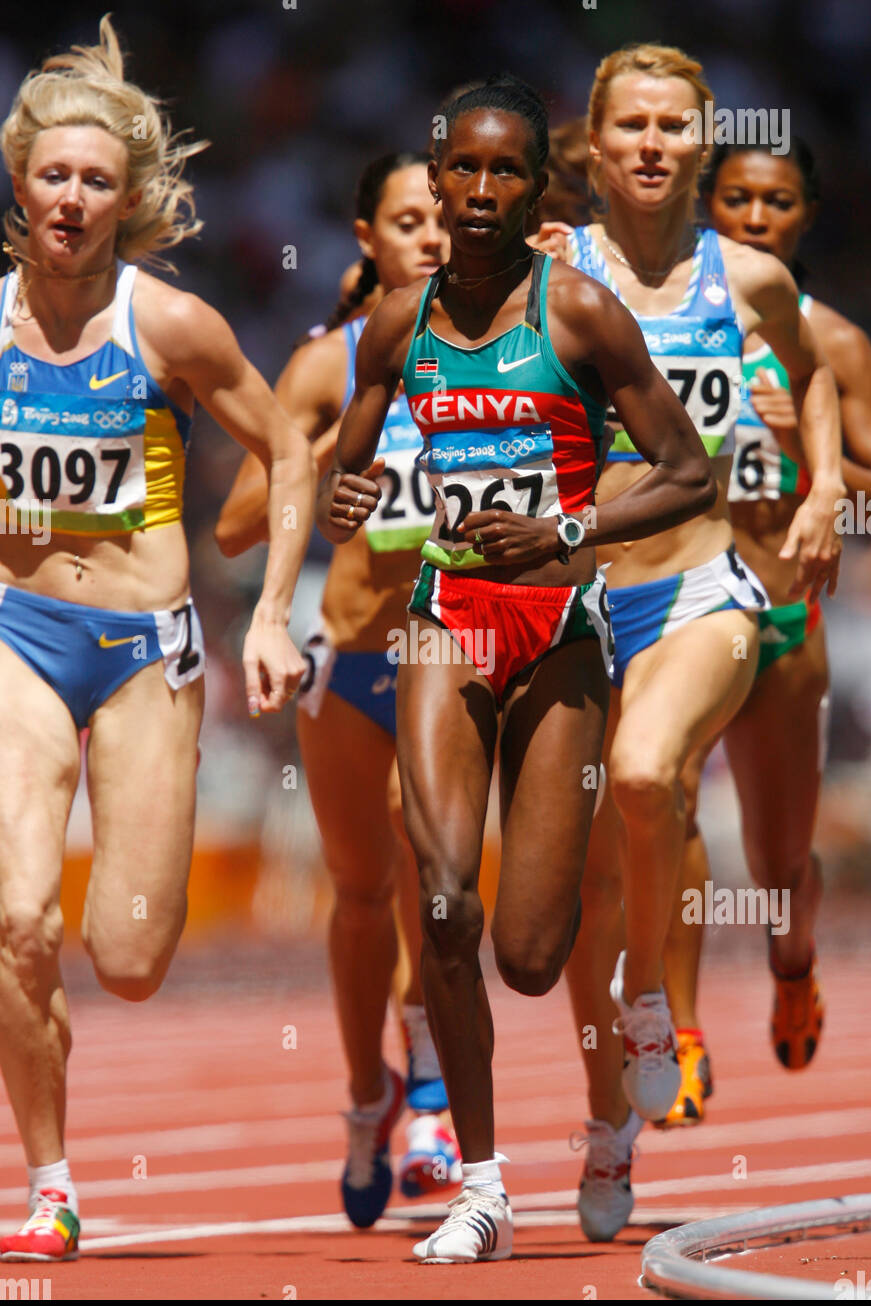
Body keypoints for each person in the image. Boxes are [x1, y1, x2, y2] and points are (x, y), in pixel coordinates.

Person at [319, 73, 718, 1263]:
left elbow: (688, 472)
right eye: (462, 171)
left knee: (531, 956)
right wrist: (347, 491)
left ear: (533, 188)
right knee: (439, 898)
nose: (481, 192)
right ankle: (482, 1190)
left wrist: (570, 530)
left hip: (559, 631)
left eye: (506, 173)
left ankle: (625, 1038)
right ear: (433, 182)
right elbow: (350, 458)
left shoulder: (581, 312)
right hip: (446, 621)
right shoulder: (399, 321)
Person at [0, 17, 314, 1262]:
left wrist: (275, 605)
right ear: (18, 182)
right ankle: (53, 1182)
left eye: (96, 180)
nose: (71, 199)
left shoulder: (168, 324)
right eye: (52, 175)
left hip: (143, 650)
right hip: (16, 631)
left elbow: (288, 445)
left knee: (124, 955)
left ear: (126, 201)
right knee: (18, 920)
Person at [533, 42, 844, 1241]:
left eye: (674, 126)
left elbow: (813, 376)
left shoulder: (749, 278)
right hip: (573, 607)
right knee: (579, 893)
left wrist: (818, 493)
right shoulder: (544, 274)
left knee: (654, 776)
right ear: (596, 147)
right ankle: (608, 1129)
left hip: (704, 589)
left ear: (698, 141)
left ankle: (659, 998)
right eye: (632, 127)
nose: (654, 144)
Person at [216, 152, 461, 1227]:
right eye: (407, 219)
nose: (432, 236)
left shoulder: (509, 345)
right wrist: (319, 451)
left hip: (453, 648)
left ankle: (439, 1099)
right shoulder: (326, 360)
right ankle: (368, 1092)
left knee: (437, 875)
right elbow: (231, 524)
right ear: (365, 235)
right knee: (364, 897)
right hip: (349, 653)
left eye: (445, 216)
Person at [658, 136, 871, 1116]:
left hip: (781, 617)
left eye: (776, 201)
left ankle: (790, 961)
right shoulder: (655, 317)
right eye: (736, 198)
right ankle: (677, 1032)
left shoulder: (828, 343)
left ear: (803, 216)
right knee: (655, 800)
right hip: (668, 607)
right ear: (707, 206)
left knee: (776, 857)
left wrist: (806, 456)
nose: (754, 216)